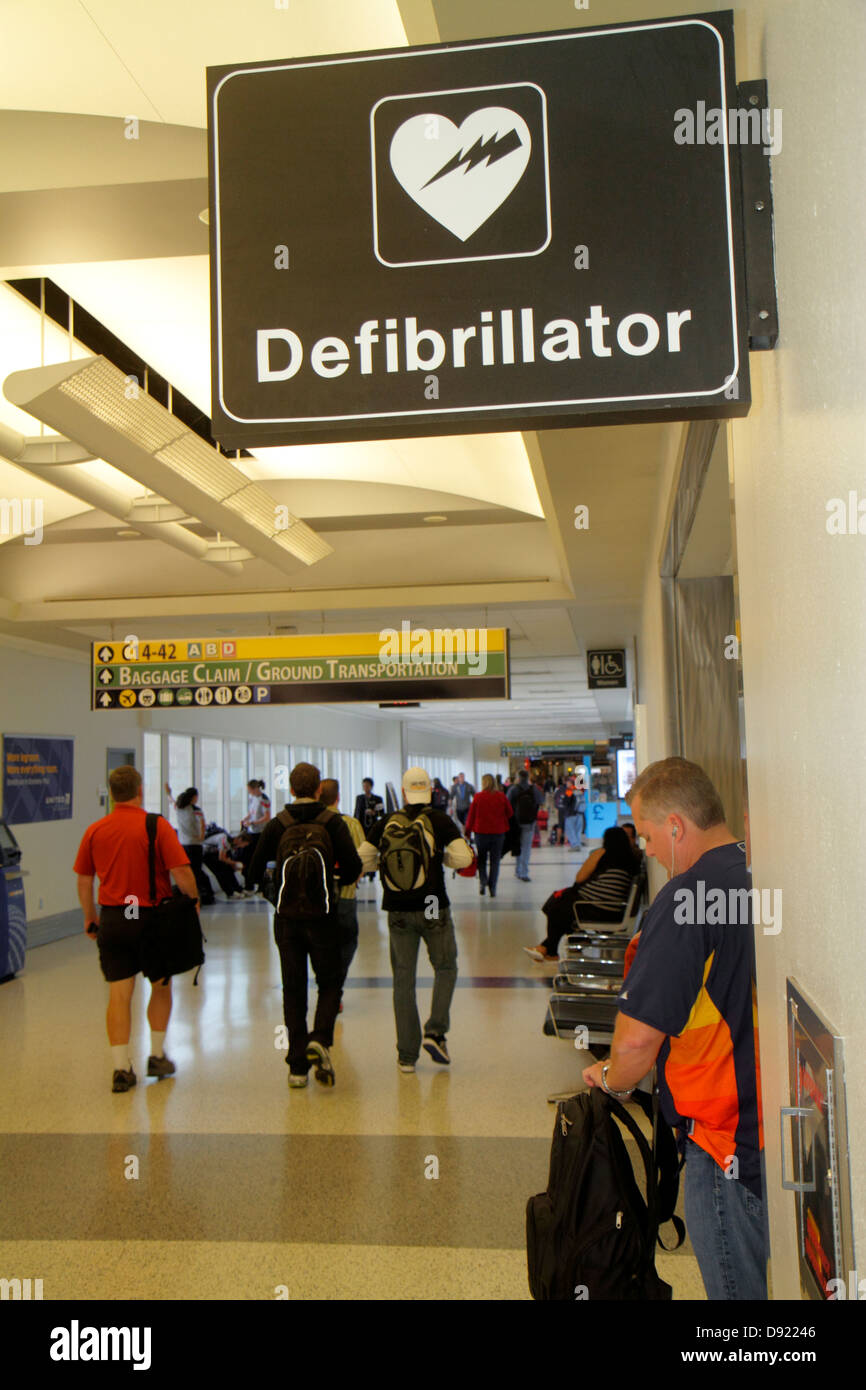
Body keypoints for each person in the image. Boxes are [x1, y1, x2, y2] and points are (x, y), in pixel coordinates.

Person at [582, 757, 768, 1302]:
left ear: (677, 826)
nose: (648, 850)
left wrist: (613, 1078)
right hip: (770, 1125)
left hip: (720, 1138)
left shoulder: (686, 897)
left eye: (646, 835)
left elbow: (639, 1039)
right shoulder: (757, 872)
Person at [74, 765, 198, 1092]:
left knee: (119, 994)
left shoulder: (95, 830)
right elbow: (181, 872)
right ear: (139, 790)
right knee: (160, 985)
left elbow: (84, 880)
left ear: (112, 793)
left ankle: (120, 1069)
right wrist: (193, 901)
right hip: (150, 918)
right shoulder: (155, 826)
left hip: (116, 917)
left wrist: (91, 918)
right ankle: (156, 1056)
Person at [246, 762, 362, 1089]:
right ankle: (320, 1038)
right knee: (330, 981)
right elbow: (353, 869)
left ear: (293, 789)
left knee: (293, 989)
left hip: (287, 921)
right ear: (317, 791)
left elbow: (252, 873)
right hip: (323, 917)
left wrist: (277, 893)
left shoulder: (278, 824)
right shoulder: (332, 822)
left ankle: (297, 1068)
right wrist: (331, 884)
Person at [360, 767, 473, 1072]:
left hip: (397, 907)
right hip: (433, 903)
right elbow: (464, 858)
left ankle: (406, 1056)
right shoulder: (439, 820)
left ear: (404, 790)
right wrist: (440, 859)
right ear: (430, 791)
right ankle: (435, 1031)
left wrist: (383, 866)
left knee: (403, 979)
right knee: (446, 966)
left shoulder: (386, 822)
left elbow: (363, 858)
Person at [525, 825, 637, 962]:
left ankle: (550, 948)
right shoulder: (631, 859)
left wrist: (598, 853)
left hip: (598, 908)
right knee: (561, 902)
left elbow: (580, 877)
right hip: (613, 908)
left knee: (558, 905)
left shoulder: (603, 853)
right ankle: (562, 944)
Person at [317, 777, 365, 998]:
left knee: (321, 943)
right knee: (347, 940)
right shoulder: (351, 824)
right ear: (338, 797)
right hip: (345, 895)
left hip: (315, 897)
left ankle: (326, 984)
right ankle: (336, 984)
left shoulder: (310, 823)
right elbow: (362, 865)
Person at [464, 773, 512, 897]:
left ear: (483, 783)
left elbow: (471, 816)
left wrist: (467, 832)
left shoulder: (478, 797)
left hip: (481, 833)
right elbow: (510, 813)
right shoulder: (501, 797)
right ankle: (493, 887)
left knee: (482, 859)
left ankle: (482, 882)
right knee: (495, 861)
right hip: (498, 833)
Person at [169, 787, 215, 906]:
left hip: (183, 844)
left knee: (188, 870)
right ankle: (203, 895)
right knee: (197, 871)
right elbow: (202, 824)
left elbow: (171, 800)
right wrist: (201, 837)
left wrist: (168, 793)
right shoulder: (196, 810)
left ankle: (190, 896)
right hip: (195, 844)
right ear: (194, 797)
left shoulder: (179, 808)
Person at [507, 769, 543, 881]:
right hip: (529, 823)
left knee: (518, 846)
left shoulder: (513, 789)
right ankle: (524, 873)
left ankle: (518, 871)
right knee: (526, 849)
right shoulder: (533, 789)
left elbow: (506, 804)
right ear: (528, 778)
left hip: (516, 823)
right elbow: (541, 801)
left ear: (518, 777)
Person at [353, 777, 385, 881]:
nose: (365, 787)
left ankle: (372, 872)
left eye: (367, 785)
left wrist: (374, 813)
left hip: (373, 827)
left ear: (371, 786)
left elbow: (382, 813)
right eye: (364, 785)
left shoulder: (377, 799)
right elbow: (356, 812)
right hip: (363, 827)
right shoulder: (360, 798)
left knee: (373, 849)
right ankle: (363, 870)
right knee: (362, 849)